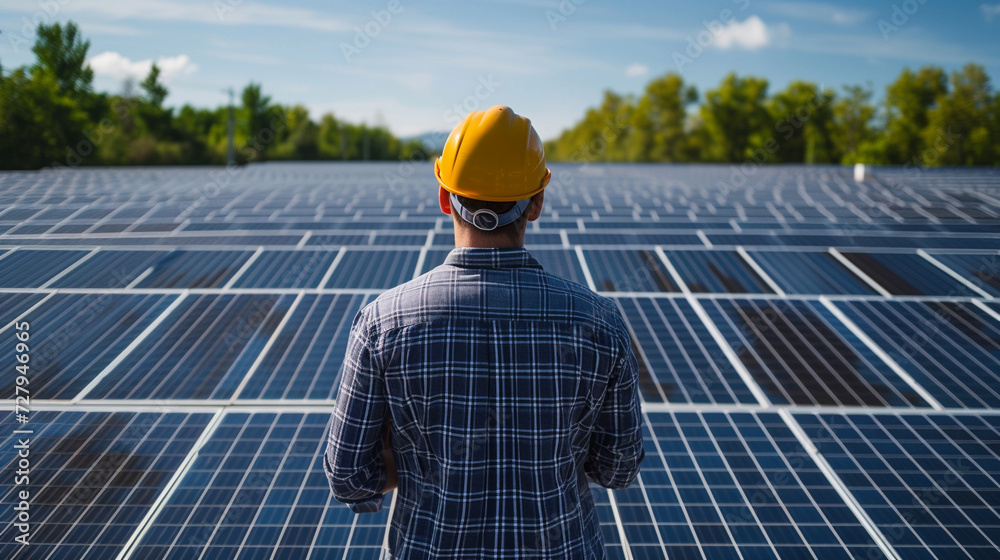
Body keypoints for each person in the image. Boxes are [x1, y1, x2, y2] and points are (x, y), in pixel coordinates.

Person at [323, 105, 644, 559]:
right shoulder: (601, 324)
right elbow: (618, 468)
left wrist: (417, 461)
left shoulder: (383, 322)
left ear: (443, 197)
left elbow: (348, 476)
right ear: (536, 203)